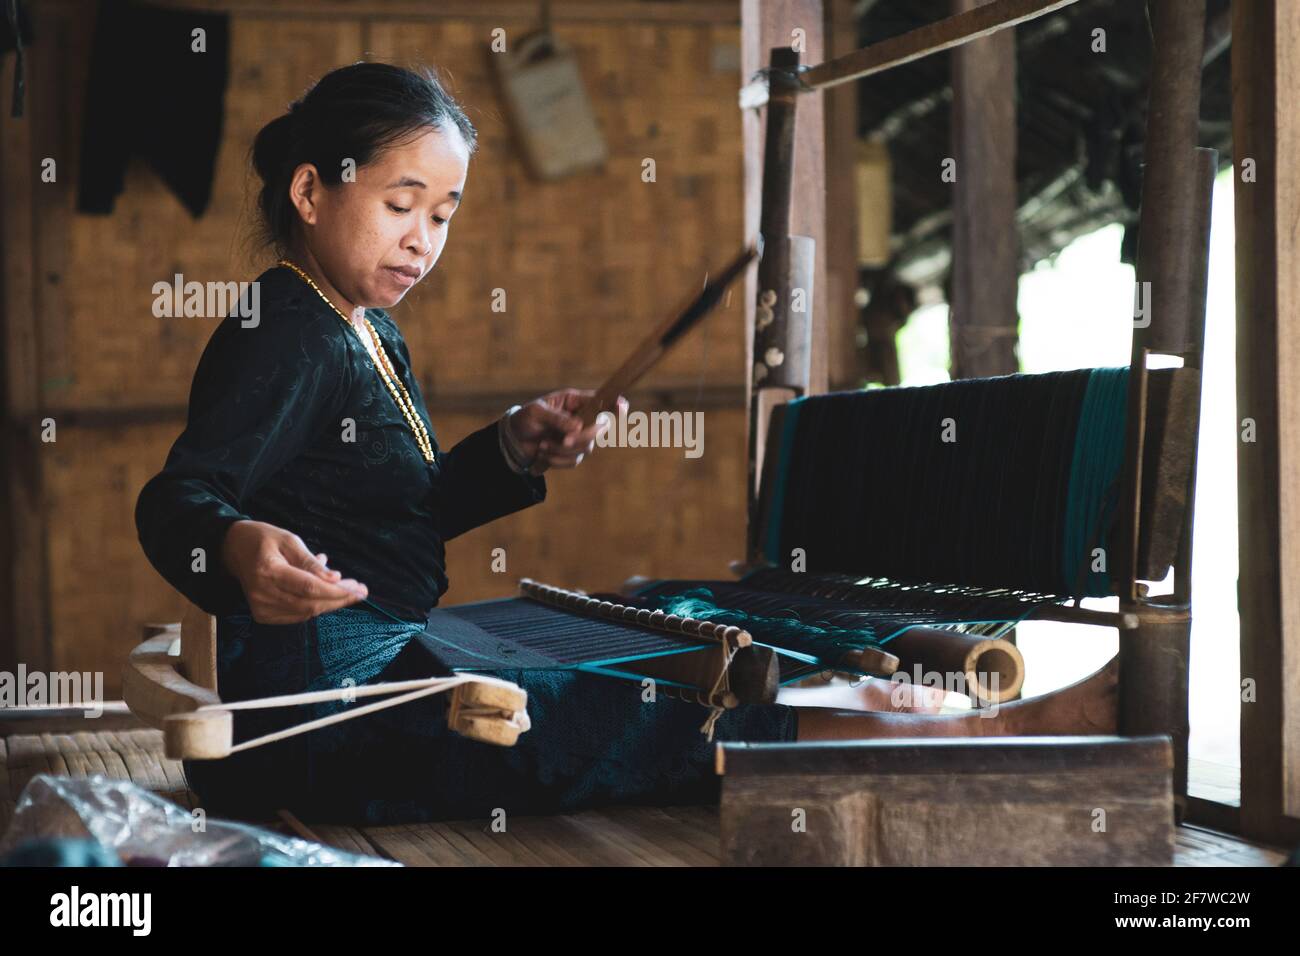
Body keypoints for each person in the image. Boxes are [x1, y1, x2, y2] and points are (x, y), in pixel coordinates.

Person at [135, 62, 940, 826]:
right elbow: (178, 498)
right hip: (311, 718)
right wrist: (235, 546)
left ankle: (856, 715)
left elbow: (394, 514)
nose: (424, 240)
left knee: (635, 646)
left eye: (444, 215)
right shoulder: (287, 328)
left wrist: (512, 448)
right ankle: (902, 736)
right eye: (400, 205)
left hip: (372, 665)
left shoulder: (366, 329)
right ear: (310, 190)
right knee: (619, 710)